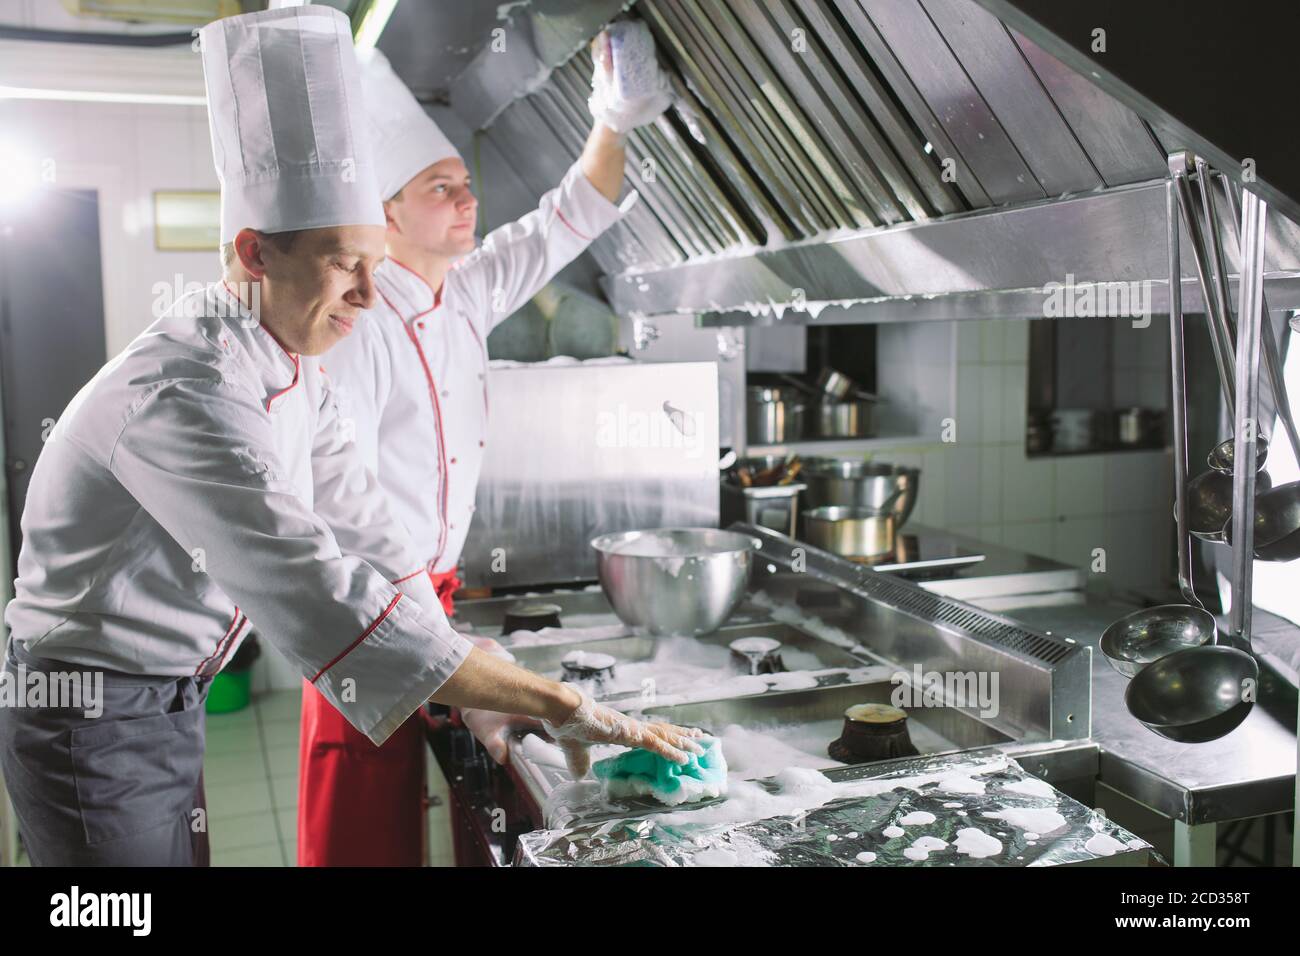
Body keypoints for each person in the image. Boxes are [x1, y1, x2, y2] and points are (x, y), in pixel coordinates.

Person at [0, 7, 698, 867]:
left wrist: (478, 691)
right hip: (89, 709)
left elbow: (375, 539)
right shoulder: (190, 393)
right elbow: (324, 592)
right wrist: (559, 701)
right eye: (344, 263)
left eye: (376, 263)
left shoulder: (289, 362)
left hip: (168, 696)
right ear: (255, 253)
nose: (370, 296)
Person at [296, 27, 674, 867]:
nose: (467, 201)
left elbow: (569, 215)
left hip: (433, 601)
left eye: (466, 183)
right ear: (386, 212)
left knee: (406, 818)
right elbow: (336, 504)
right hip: (365, 609)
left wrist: (614, 115)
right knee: (359, 827)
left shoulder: (466, 289)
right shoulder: (358, 325)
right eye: (440, 188)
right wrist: (437, 638)